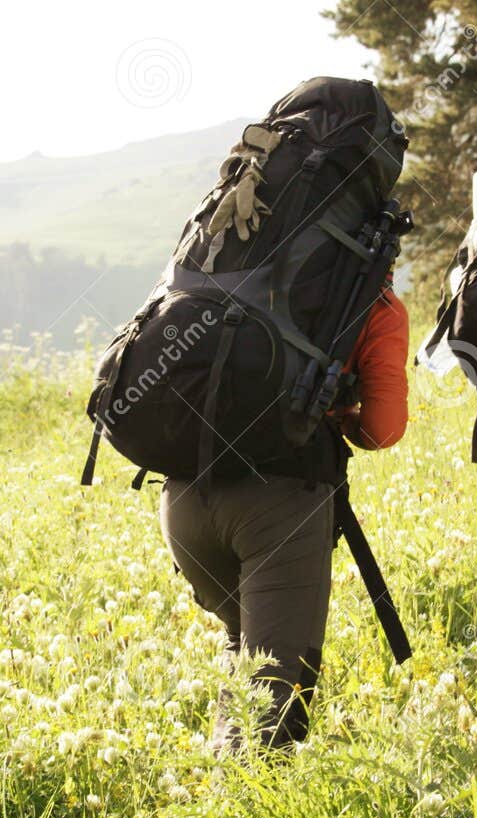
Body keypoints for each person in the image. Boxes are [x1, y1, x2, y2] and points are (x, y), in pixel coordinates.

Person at [161, 283, 409, 749]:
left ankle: (219, 791)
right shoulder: (371, 298)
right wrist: (341, 418)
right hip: (280, 501)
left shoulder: (226, 269)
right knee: (275, 693)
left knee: (244, 648)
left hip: (183, 490)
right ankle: (244, 811)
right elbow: (383, 429)